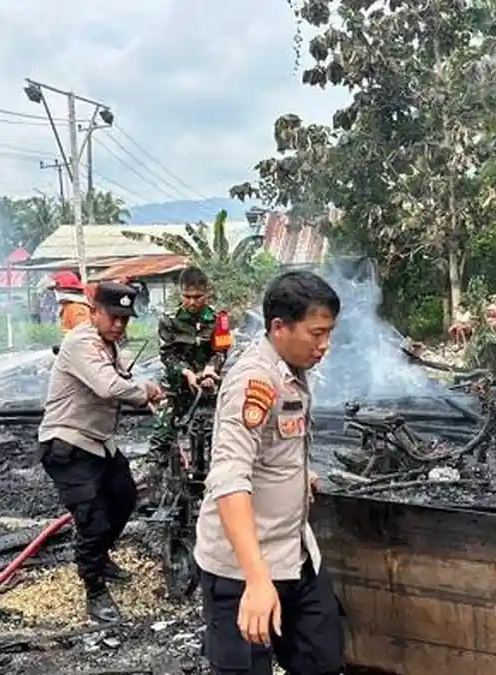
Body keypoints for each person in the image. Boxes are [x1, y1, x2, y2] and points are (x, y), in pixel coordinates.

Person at [194, 271, 345, 675]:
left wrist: (300, 475)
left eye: (328, 333)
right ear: (279, 327)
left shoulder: (291, 371)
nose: (324, 345)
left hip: (295, 555)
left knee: (324, 662)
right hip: (244, 570)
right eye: (316, 333)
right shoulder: (254, 381)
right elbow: (228, 480)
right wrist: (256, 581)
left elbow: (276, 447)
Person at [38, 281, 166, 623]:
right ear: (94, 312)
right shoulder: (82, 341)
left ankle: (101, 557)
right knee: (92, 518)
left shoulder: (108, 345)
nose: (120, 325)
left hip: (98, 444)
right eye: (113, 317)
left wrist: (149, 390)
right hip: (67, 443)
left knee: (124, 497)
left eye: (125, 319)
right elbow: (109, 386)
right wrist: (146, 391)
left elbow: (122, 377)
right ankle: (94, 590)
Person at [148, 266, 227, 459]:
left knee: (226, 434)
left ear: (207, 293)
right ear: (180, 293)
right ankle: (155, 471)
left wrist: (210, 370)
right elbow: (167, 356)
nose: (192, 302)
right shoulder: (169, 320)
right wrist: (187, 373)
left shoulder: (220, 320)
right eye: (187, 296)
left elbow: (221, 352)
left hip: (209, 384)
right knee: (162, 434)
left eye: (198, 296)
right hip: (177, 386)